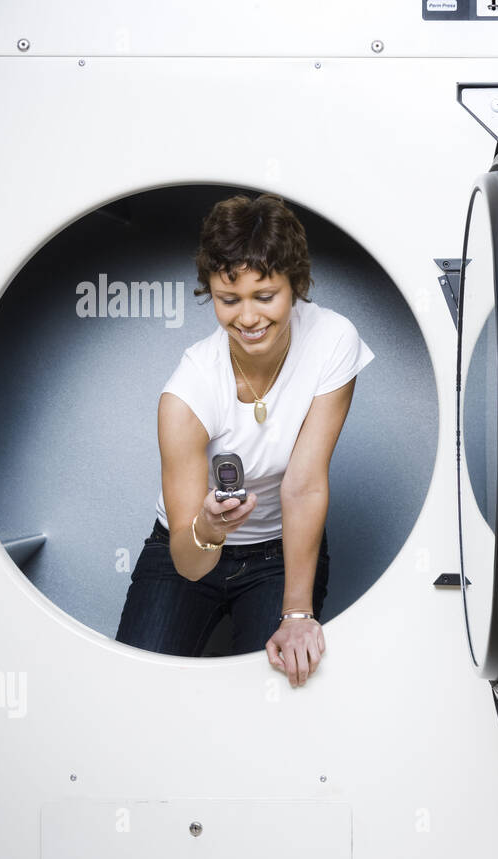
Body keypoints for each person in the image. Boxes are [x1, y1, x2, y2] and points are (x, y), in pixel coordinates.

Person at [116, 193, 373, 686]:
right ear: (210, 292)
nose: (248, 319)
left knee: (279, 687)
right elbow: (189, 564)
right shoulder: (185, 396)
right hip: (187, 546)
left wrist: (297, 615)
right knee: (137, 688)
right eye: (228, 300)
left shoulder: (333, 340)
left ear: (295, 286)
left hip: (281, 551)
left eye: (265, 296)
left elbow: (303, 484)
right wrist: (209, 530)